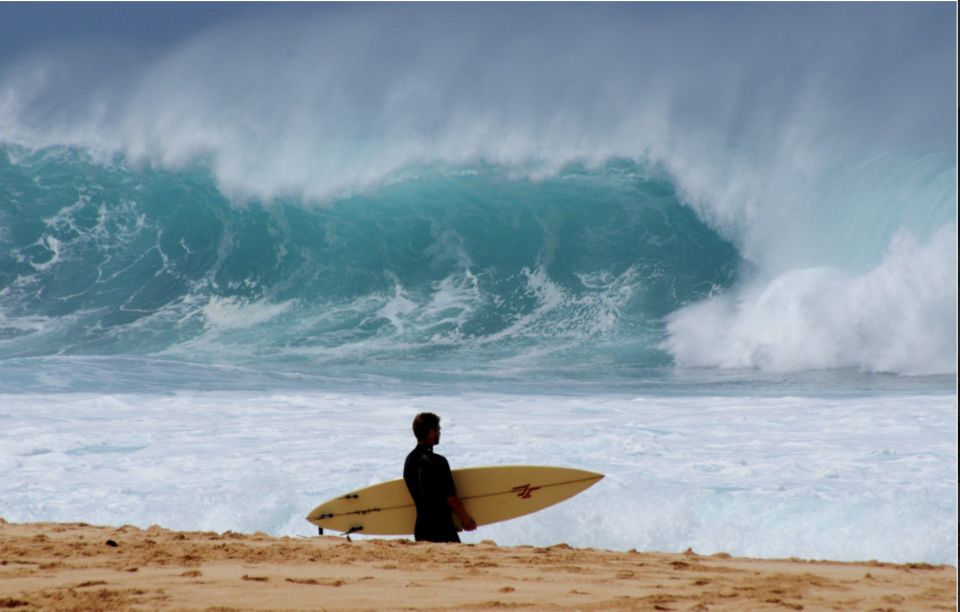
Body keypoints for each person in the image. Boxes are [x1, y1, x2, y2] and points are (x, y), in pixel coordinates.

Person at [403, 412, 477, 542]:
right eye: (438, 429)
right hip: (443, 529)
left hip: (421, 530)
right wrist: (466, 521)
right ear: (431, 432)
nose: (440, 433)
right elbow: (453, 500)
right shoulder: (439, 462)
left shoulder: (409, 461)